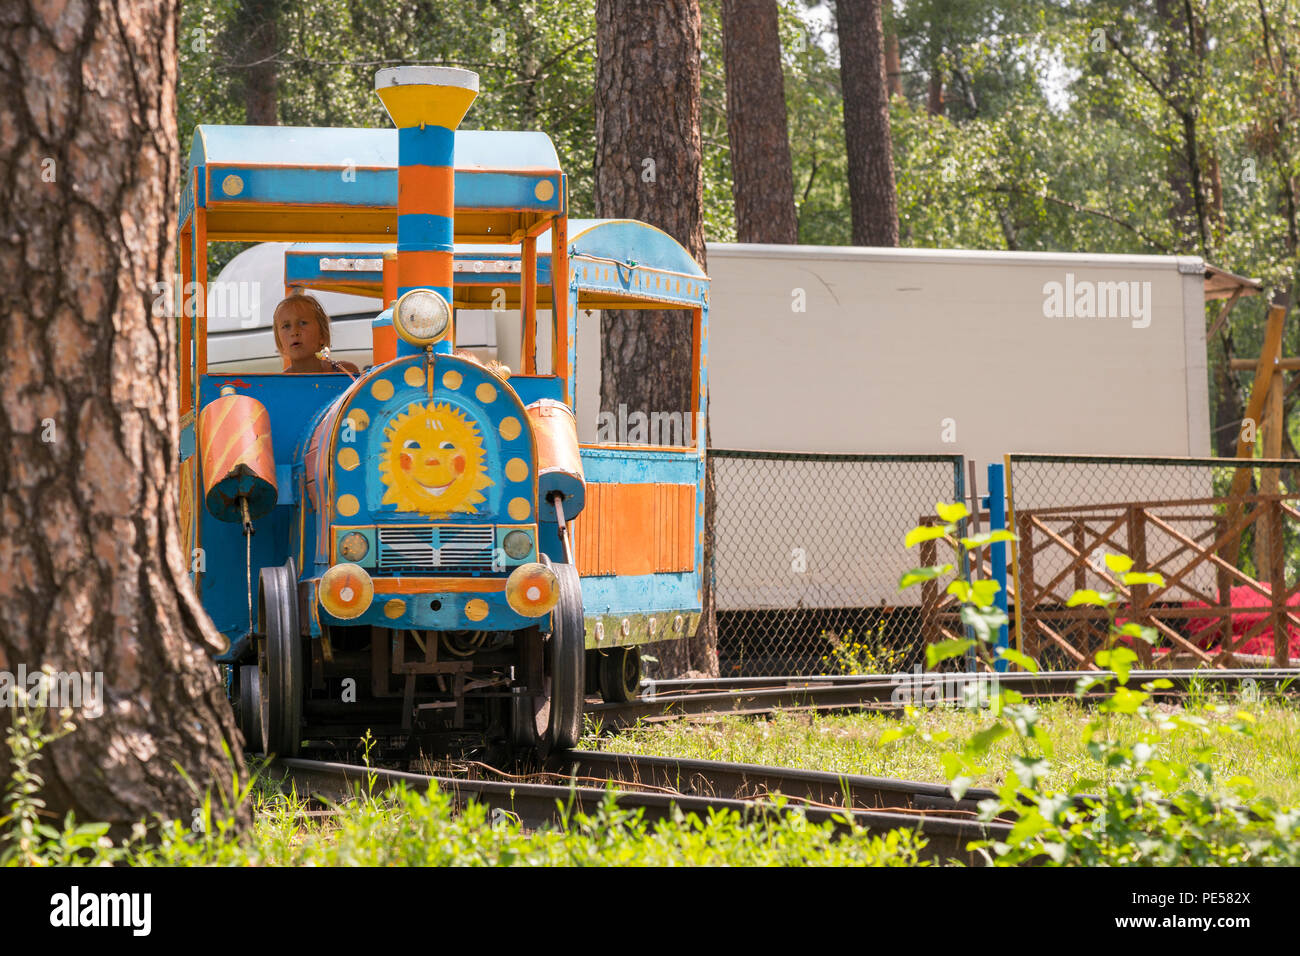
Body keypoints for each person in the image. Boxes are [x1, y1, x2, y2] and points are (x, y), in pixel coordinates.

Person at [272, 293, 360, 374]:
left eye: (303, 323)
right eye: (286, 326)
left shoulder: (344, 372)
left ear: (322, 334)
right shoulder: (279, 384)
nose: (294, 332)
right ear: (279, 340)